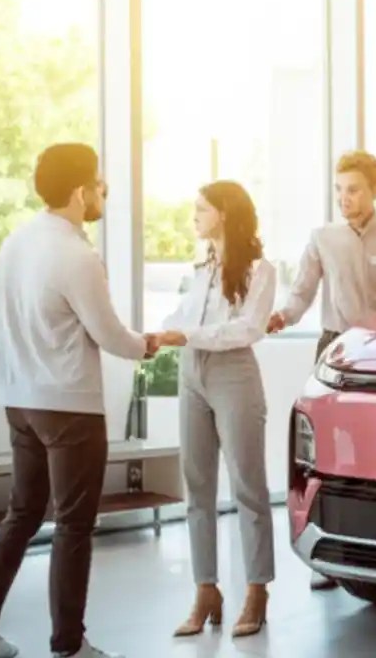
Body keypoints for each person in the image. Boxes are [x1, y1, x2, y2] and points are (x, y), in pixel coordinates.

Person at [0, 143, 167, 658]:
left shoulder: (15, 243)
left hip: (20, 400)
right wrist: (149, 344)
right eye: (98, 183)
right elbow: (111, 335)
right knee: (74, 524)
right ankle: (69, 647)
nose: (102, 192)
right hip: (69, 407)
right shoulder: (77, 254)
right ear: (80, 192)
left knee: (22, 514)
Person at [266, 149, 376, 590]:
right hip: (334, 353)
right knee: (331, 456)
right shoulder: (323, 238)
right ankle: (329, 559)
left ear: (375, 190)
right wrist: (281, 316)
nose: (345, 198)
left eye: (353, 189)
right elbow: (301, 293)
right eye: (339, 190)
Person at [157, 181, 277, 639]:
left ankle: (256, 589)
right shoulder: (203, 266)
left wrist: (185, 335)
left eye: (201, 209)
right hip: (192, 372)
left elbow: (246, 329)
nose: (194, 215)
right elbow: (185, 316)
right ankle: (205, 590)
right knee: (198, 485)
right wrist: (159, 335)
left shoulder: (260, 270)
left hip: (233, 374)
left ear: (224, 214)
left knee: (247, 485)